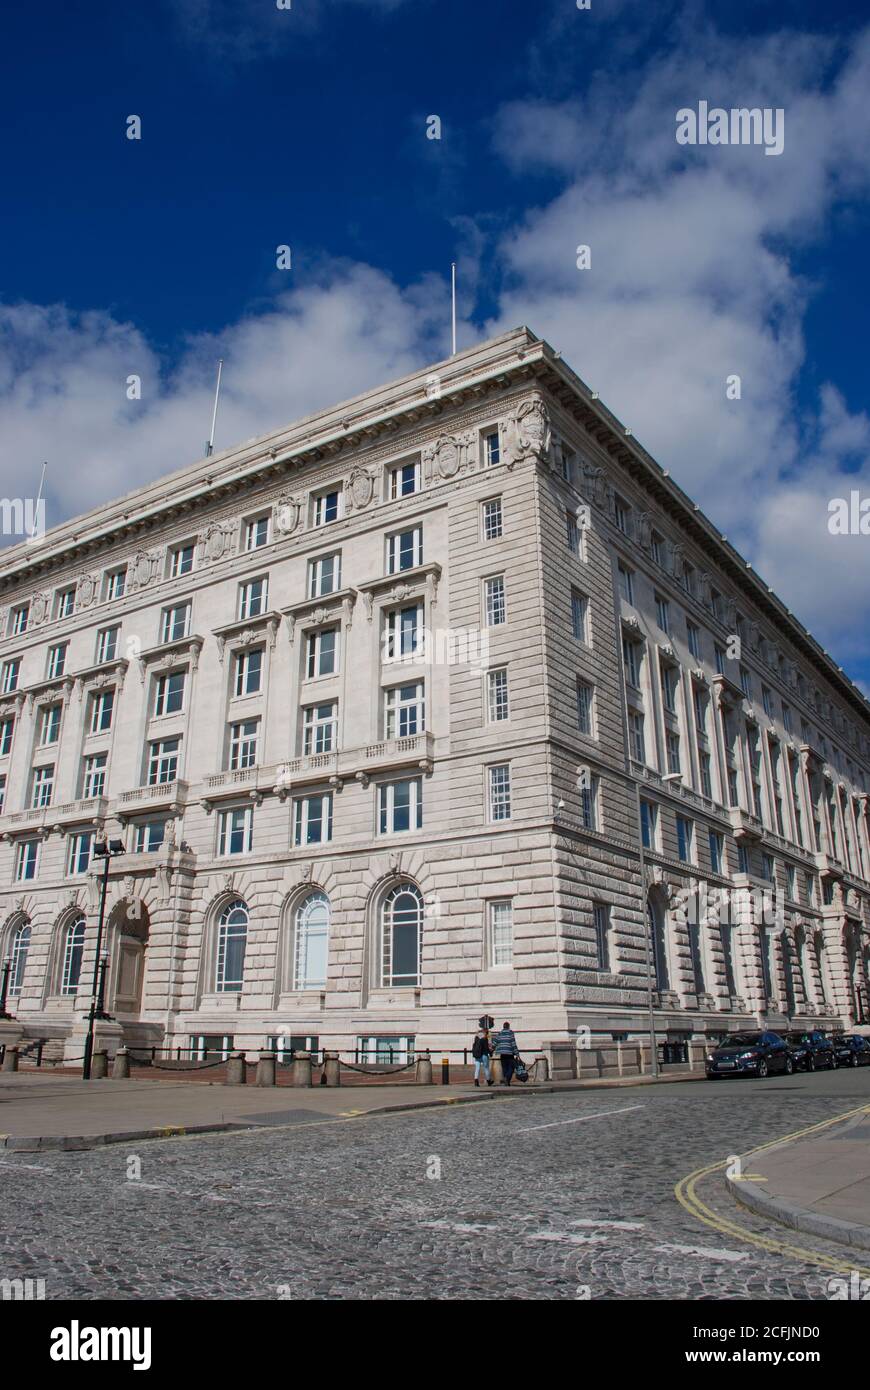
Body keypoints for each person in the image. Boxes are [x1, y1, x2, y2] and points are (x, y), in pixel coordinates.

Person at [492, 1020, 519, 1085]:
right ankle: (507, 1078)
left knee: (504, 1067)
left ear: (503, 1027)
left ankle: (506, 1078)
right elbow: (513, 1043)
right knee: (511, 1067)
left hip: (502, 1053)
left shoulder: (500, 1033)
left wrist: (491, 1048)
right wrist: (517, 1053)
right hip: (509, 1053)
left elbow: (495, 1042)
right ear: (508, 1027)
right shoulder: (510, 1033)